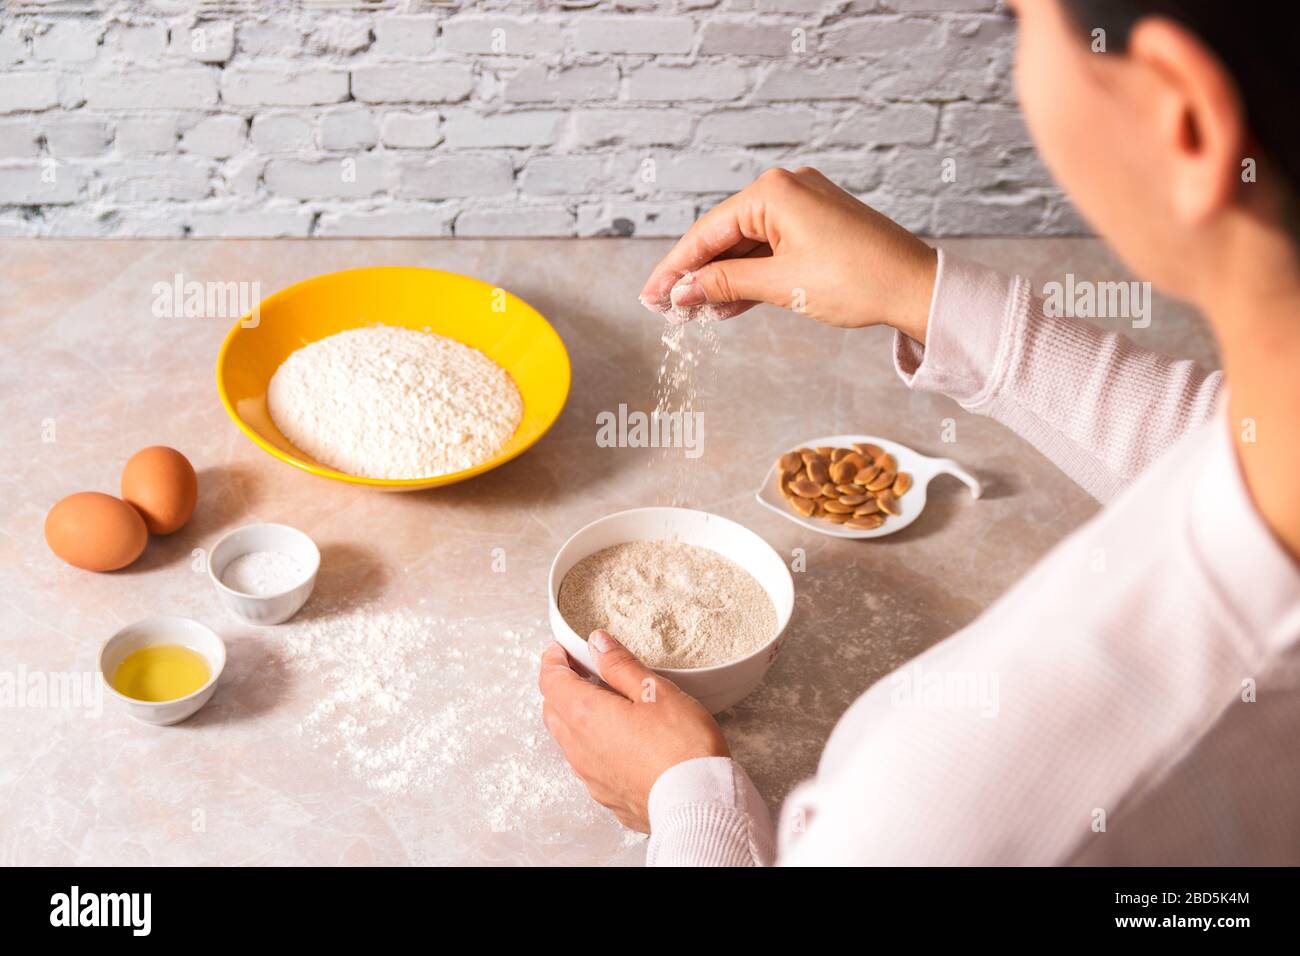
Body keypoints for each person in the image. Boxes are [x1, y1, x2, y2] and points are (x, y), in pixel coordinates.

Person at [538, 0, 1300, 864]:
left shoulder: (949, 809)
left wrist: (685, 798)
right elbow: (1214, 438)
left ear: (1183, 118)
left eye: (1020, 22)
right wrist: (921, 292)